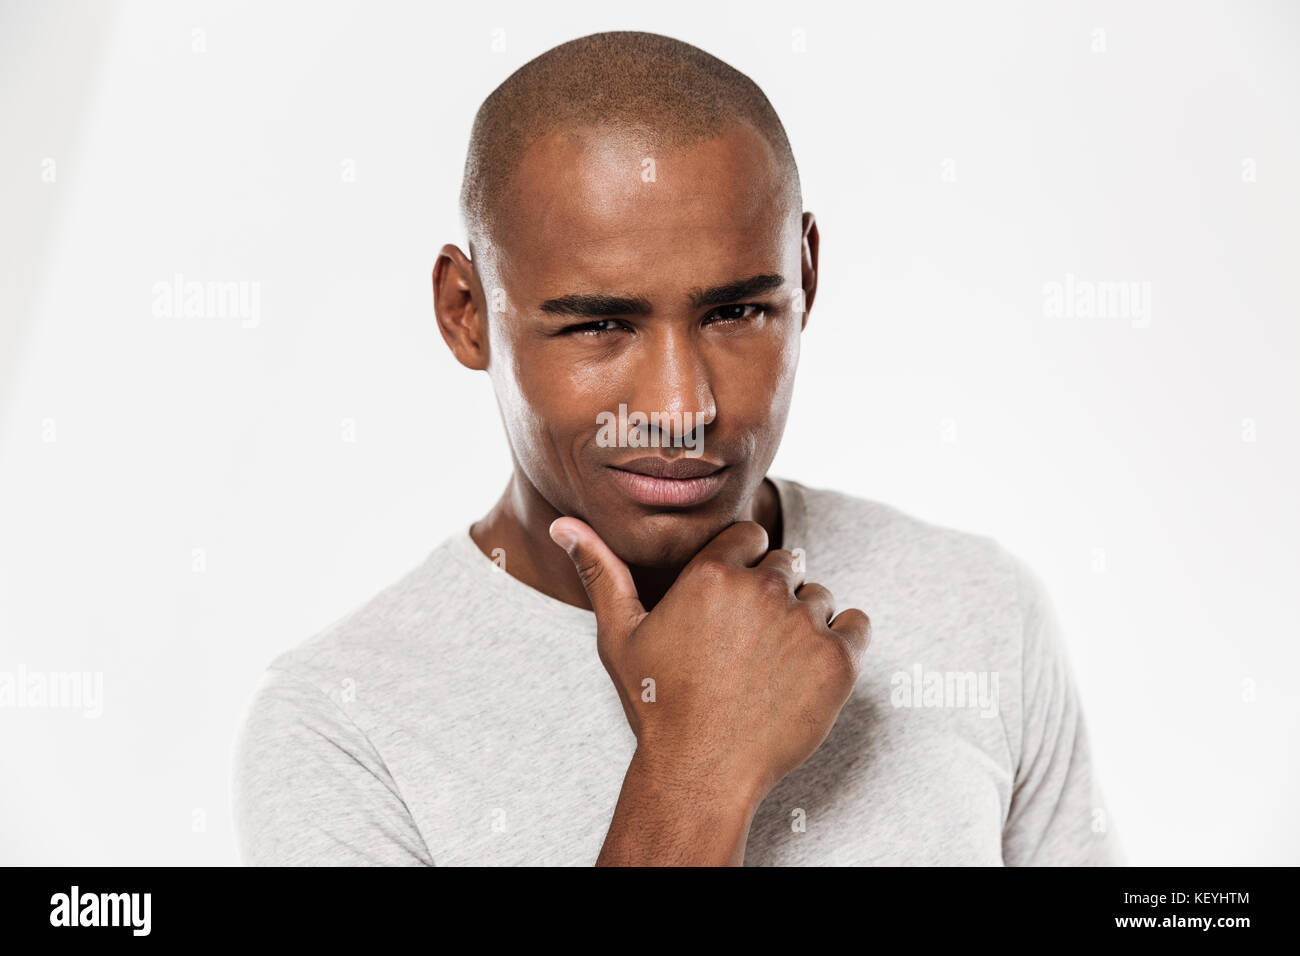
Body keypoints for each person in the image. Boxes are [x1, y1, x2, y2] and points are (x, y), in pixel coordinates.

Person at [232, 30, 1124, 866]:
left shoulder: (980, 611)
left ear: (806, 278)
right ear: (467, 314)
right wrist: (695, 775)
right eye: (600, 324)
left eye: (736, 312)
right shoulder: (341, 727)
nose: (679, 408)